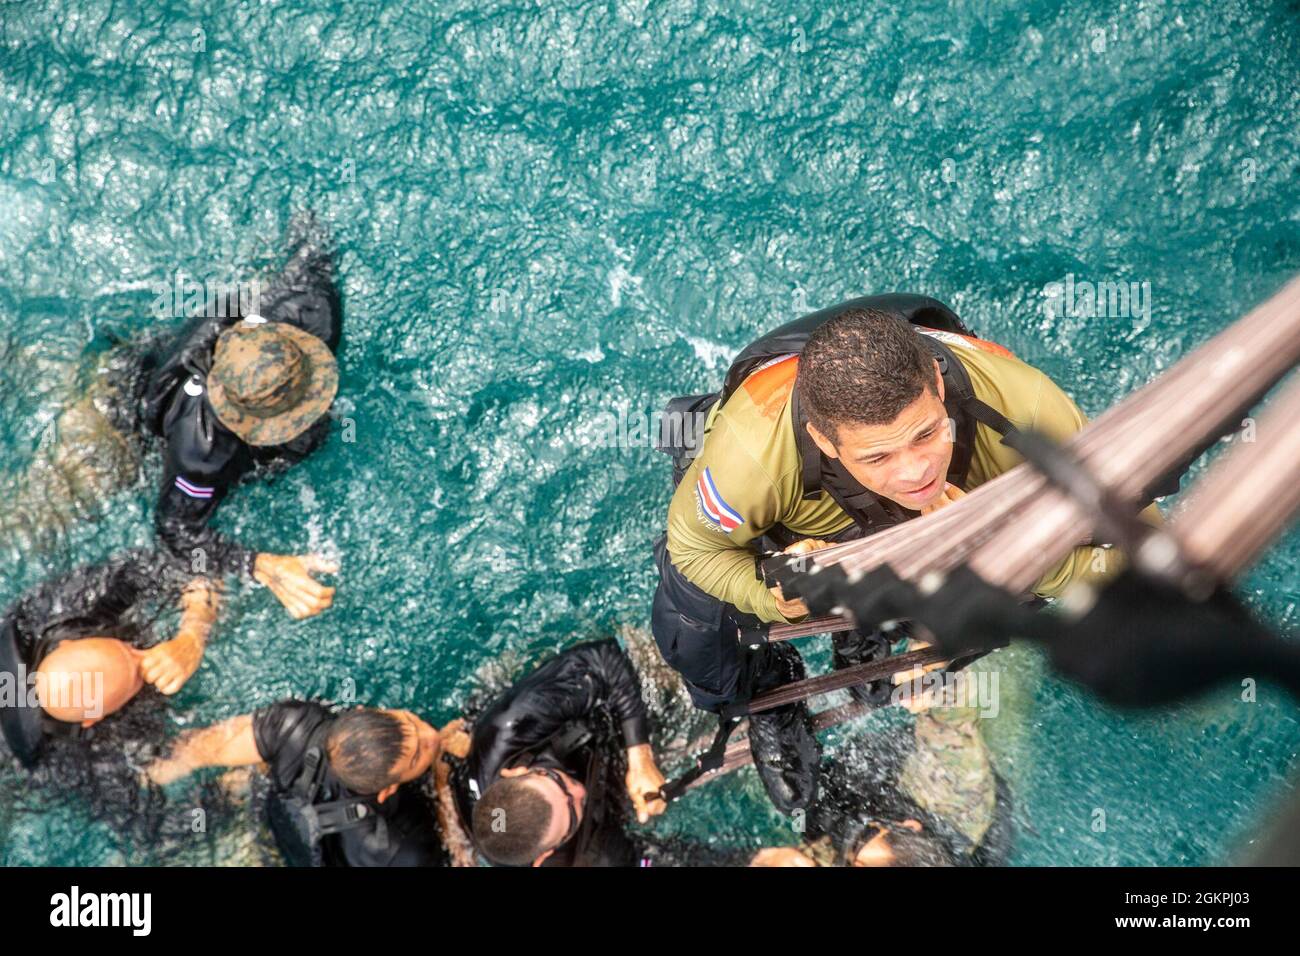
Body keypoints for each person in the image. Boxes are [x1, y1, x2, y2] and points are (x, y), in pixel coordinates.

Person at [652, 294, 1164, 812]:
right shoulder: (751, 456)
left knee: (995, 598)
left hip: (948, 515)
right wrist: (769, 596)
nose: (915, 471)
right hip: (796, 531)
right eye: (878, 455)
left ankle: (868, 639)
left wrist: (1011, 552)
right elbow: (694, 548)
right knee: (693, 637)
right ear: (824, 442)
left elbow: (1145, 561)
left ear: (938, 387)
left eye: (925, 433)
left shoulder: (1021, 406)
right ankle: (768, 697)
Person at [0, 215, 341, 620]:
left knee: (25, 355)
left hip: (142, 356)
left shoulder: (309, 306)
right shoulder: (203, 449)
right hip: (117, 422)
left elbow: (311, 248)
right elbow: (175, 528)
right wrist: (259, 563)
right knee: (26, 518)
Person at [437, 638, 669, 867]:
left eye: (555, 778)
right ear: (543, 857)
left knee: (658, 660)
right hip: (610, 802)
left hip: (582, 722)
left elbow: (603, 659)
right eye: (571, 811)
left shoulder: (507, 730)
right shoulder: (587, 860)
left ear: (515, 772)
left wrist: (640, 757)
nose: (578, 791)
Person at [146, 699, 447, 867]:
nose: (430, 734)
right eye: (419, 754)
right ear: (388, 790)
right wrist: (442, 775)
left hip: (277, 813)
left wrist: (142, 777)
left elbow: (193, 750)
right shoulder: (395, 850)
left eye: (414, 723)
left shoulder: (294, 723)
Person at [0, 549, 219, 769]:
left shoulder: (76, 604)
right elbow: (164, 771)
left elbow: (196, 558)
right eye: (137, 678)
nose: (147, 656)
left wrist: (192, 637)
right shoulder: (97, 752)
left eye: (127, 649)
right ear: (94, 718)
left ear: (69, 644)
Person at [750, 707, 1014, 867]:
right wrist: (933, 672)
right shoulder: (954, 791)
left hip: (873, 799)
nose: (847, 856)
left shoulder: (860, 857)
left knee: (793, 798)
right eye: (861, 840)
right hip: (950, 790)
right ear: (910, 827)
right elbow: (954, 708)